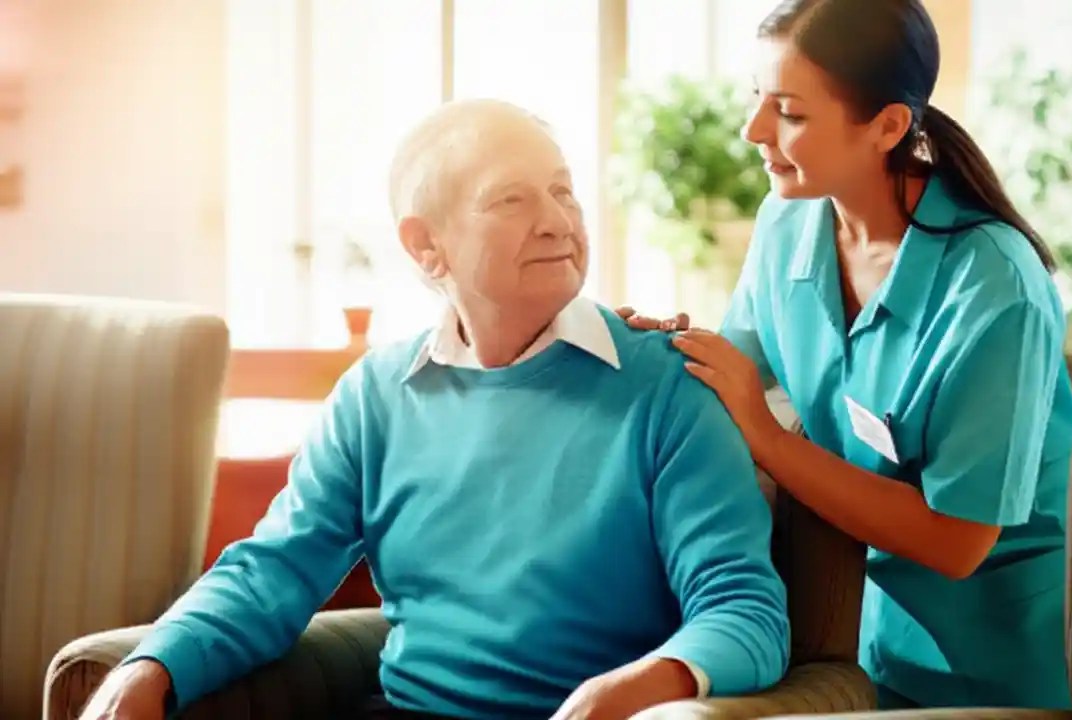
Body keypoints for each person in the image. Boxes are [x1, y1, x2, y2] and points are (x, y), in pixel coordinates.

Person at [79, 99, 789, 720]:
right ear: (426, 247)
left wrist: (635, 690)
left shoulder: (669, 385)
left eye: (563, 191)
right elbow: (274, 570)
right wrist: (151, 667)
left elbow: (744, 610)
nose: (556, 222)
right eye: (511, 199)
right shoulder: (374, 394)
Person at [620, 0, 1072, 711]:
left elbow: (958, 541)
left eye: (790, 113)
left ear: (889, 126)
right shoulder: (790, 221)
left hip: (1011, 669)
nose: (753, 131)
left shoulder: (996, 286)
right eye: (756, 100)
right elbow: (730, 378)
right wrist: (639, 345)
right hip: (872, 649)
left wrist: (768, 437)